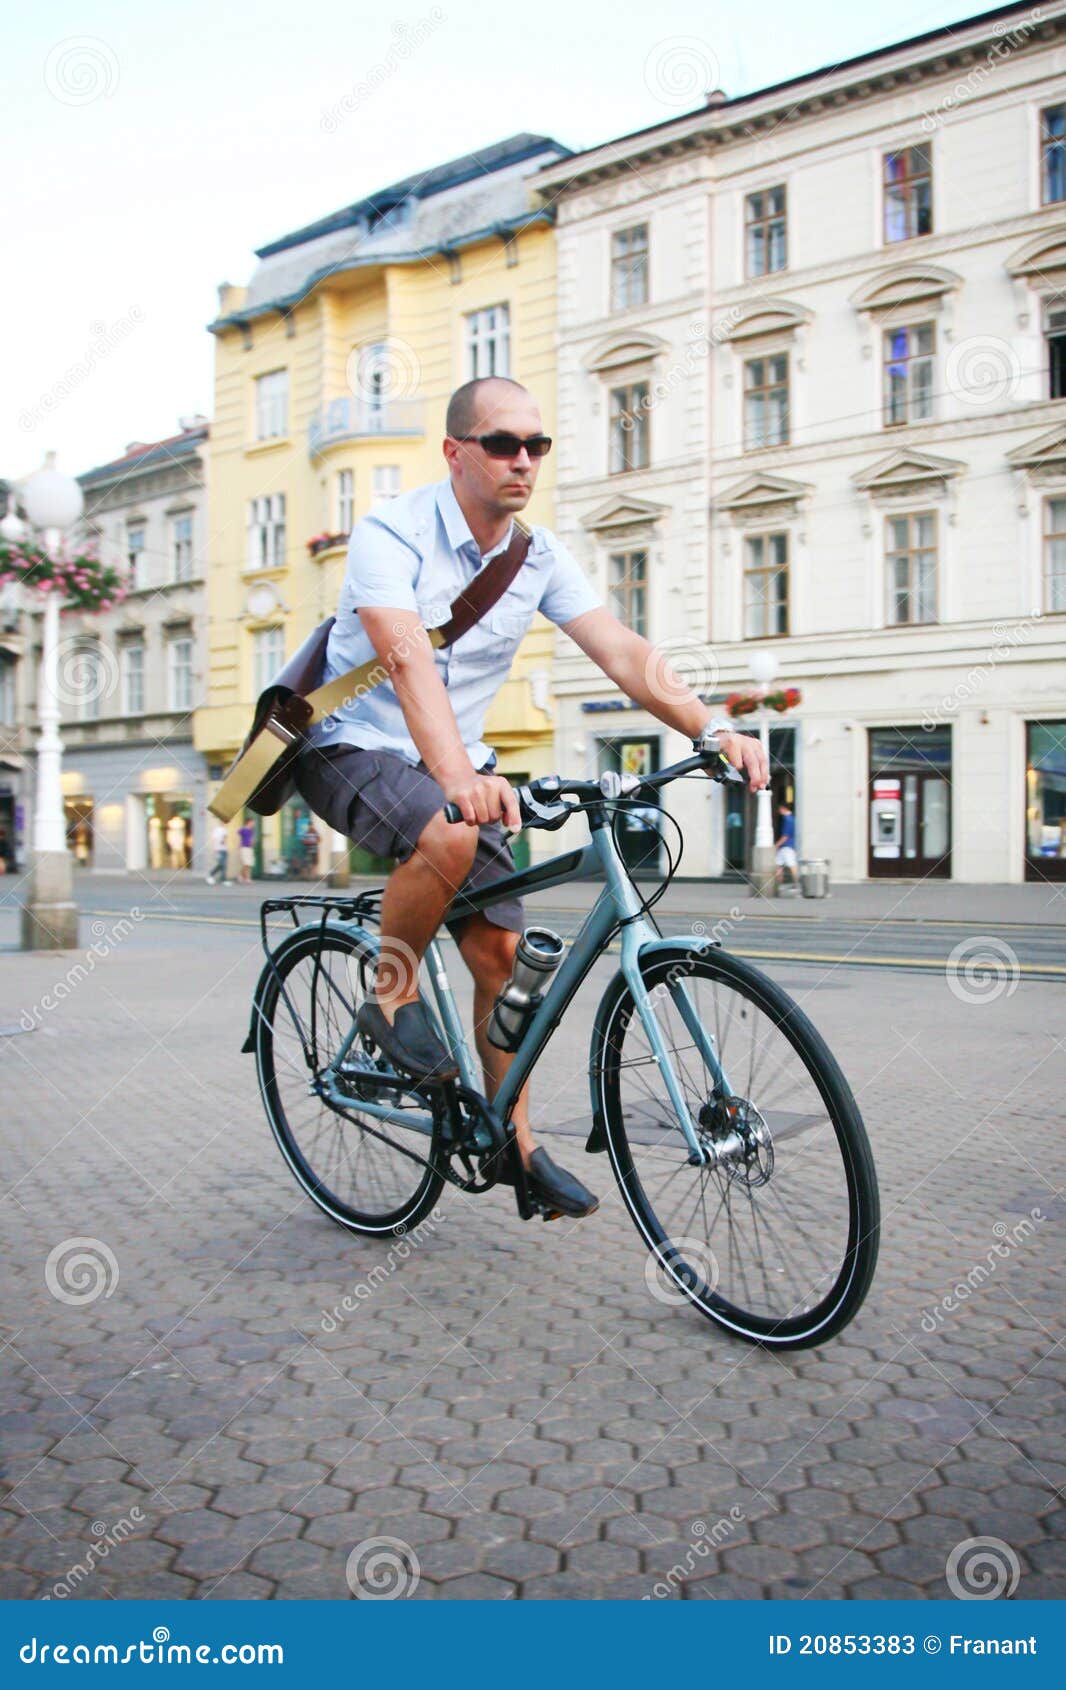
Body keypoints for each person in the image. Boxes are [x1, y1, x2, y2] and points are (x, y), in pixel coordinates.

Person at [296, 376, 768, 1219]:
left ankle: (511, 1145)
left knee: (506, 967)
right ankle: (391, 993)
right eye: (503, 443)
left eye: (536, 446)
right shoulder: (389, 534)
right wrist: (456, 780)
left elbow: (621, 650)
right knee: (444, 833)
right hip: (351, 746)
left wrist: (710, 728)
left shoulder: (538, 557)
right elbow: (405, 659)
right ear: (455, 452)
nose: (523, 460)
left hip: (457, 764)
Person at [775, 802, 799, 889]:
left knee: (791, 865)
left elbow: (786, 835)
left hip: (787, 846)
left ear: (783, 808)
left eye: (780, 808)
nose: (779, 810)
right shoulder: (792, 819)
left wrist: (777, 845)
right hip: (787, 846)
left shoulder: (788, 820)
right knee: (778, 864)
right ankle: (779, 884)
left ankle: (797, 884)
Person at [206, 821, 231, 885]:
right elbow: (215, 840)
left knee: (222, 865)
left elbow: (225, 840)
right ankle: (214, 876)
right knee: (222, 864)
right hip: (219, 849)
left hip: (224, 850)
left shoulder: (225, 830)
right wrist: (216, 849)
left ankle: (214, 876)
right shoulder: (217, 830)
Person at [237, 817, 256, 884]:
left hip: (249, 848)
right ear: (249, 822)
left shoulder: (251, 830)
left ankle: (242, 876)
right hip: (244, 848)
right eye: (253, 822)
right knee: (246, 863)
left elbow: (251, 838)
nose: (254, 824)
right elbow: (238, 834)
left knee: (249, 864)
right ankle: (246, 878)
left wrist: (252, 842)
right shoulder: (243, 829)